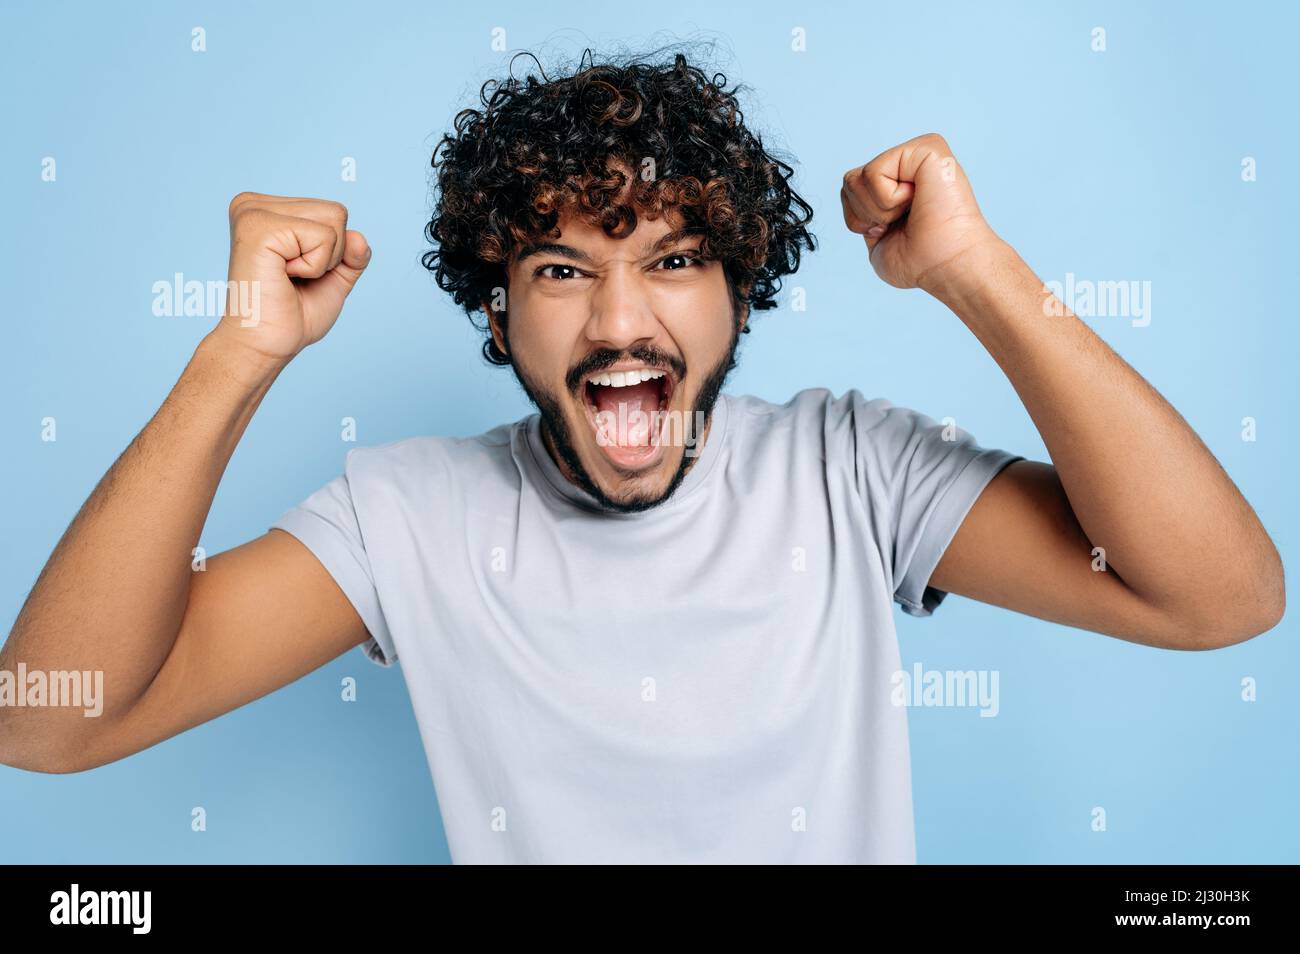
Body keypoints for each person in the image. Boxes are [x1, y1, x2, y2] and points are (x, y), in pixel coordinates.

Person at [0, 51, 1284, 863]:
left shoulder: (852, 471)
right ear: (499, 318)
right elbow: (43, 726)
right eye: (562, 271)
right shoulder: (409, 517)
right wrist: (237, 354)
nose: (620, 323)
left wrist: (975, 273)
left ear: (738, 296)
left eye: (671, 261)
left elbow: (1218, 598)